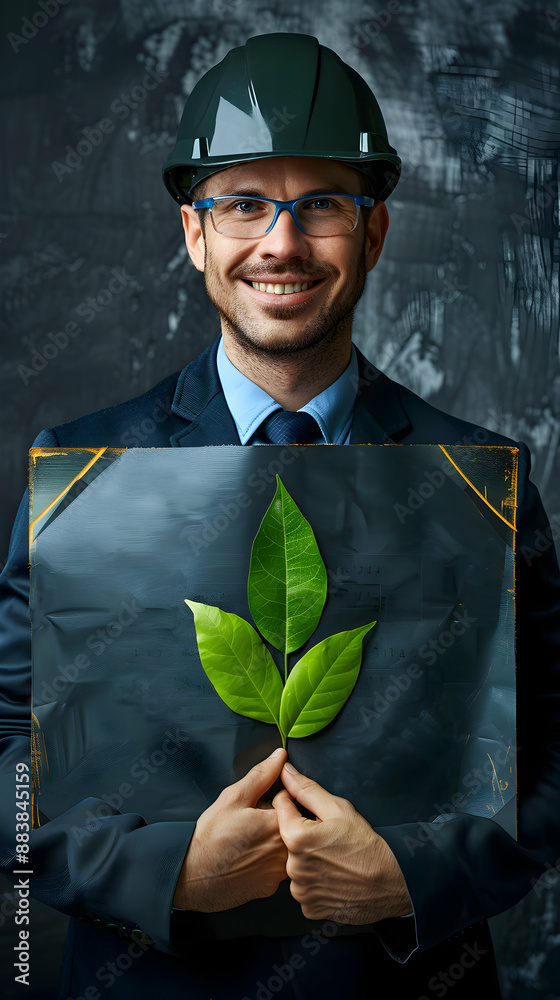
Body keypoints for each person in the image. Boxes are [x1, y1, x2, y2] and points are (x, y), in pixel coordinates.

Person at [1, 31, 559, 1000]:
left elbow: (549, 747)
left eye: (321, 207)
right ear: (194, 233)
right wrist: (161, 872)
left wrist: (412, 876)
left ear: (373, 232)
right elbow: (10, 749)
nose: (281, 243)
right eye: (244, 204)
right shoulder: (86, 468)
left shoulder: (479, 482)